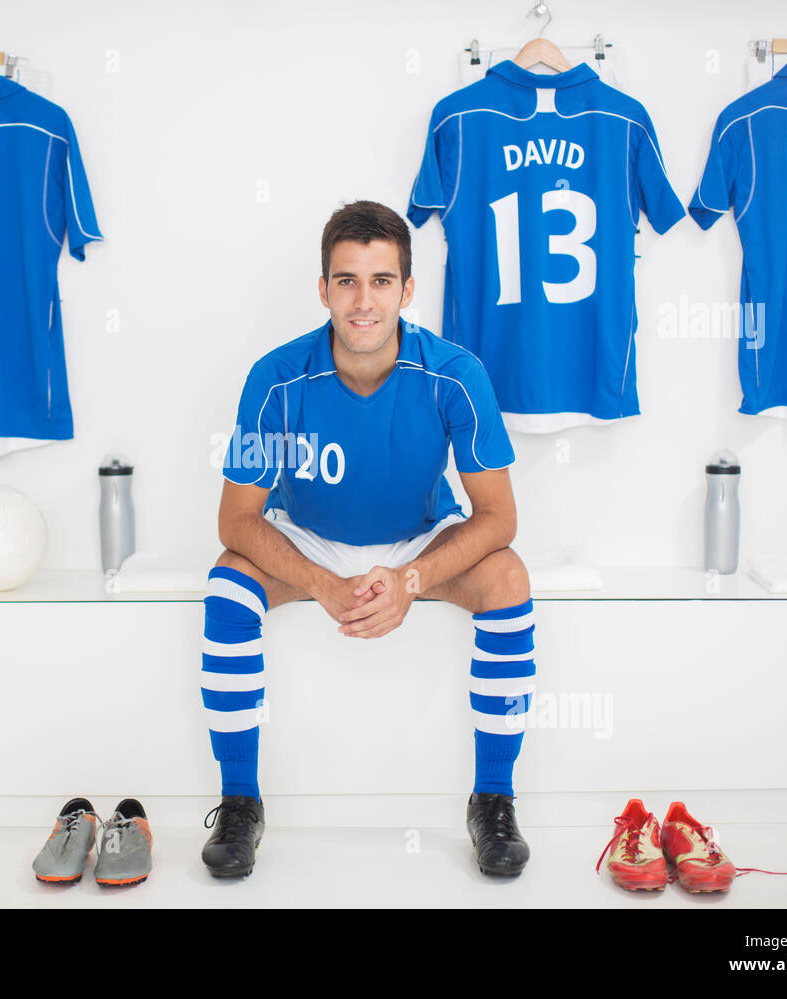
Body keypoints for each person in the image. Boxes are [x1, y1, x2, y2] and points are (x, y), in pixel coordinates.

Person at [199, 200, 536, 880]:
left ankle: (493, 801)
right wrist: (322, 583)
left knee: (508, 575)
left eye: (381, 280)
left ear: (407, 290)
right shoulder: (275, 377)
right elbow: (236, 520)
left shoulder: (455, 373)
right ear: (323, 289)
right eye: (347, 280)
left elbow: (499, 517)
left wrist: (411, 580)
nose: (363, 301)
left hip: (417, 543)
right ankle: (239, 802)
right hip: (310, 542)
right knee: (228, 580)